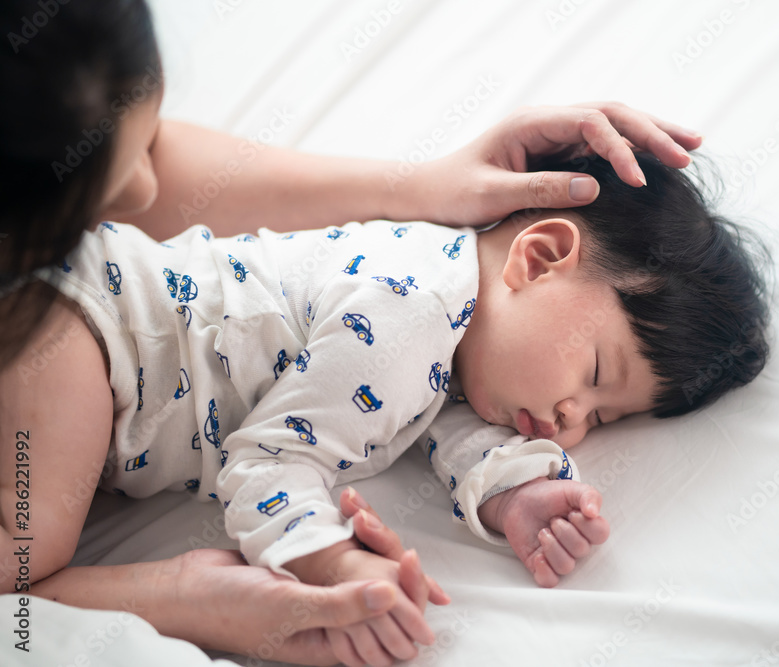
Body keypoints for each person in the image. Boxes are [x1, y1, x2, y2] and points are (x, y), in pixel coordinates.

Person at [0, 0, 705, 664]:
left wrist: (516, 490)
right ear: (541, 255)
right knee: (25, 556)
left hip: (96, 344)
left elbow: (431, 414)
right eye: (594, 376)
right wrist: (327, 559)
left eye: (604, 417)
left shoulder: (447, 310)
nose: (571, 424)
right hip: (80, 338)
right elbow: (269, 462)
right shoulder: (415, 306)